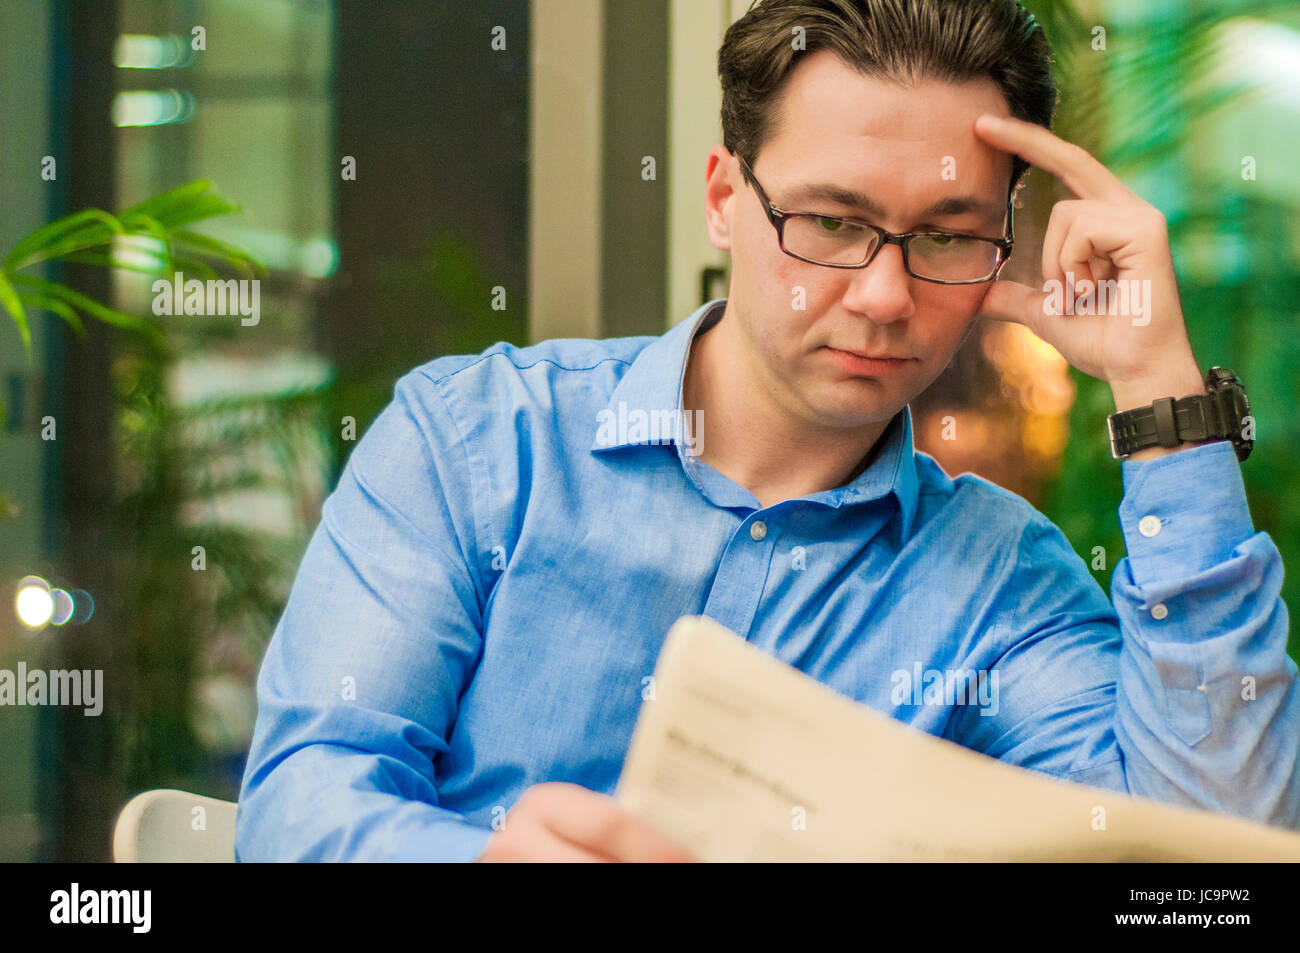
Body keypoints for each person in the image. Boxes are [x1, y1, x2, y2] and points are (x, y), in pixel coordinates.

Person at [235, 0, 1299, 862]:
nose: (884, 295)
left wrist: (1163, 395)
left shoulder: (1003, 586)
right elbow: (299, 797)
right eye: (831, 222)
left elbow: (1212, 859)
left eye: (947, 235)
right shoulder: (473, 443)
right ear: (720, 198)